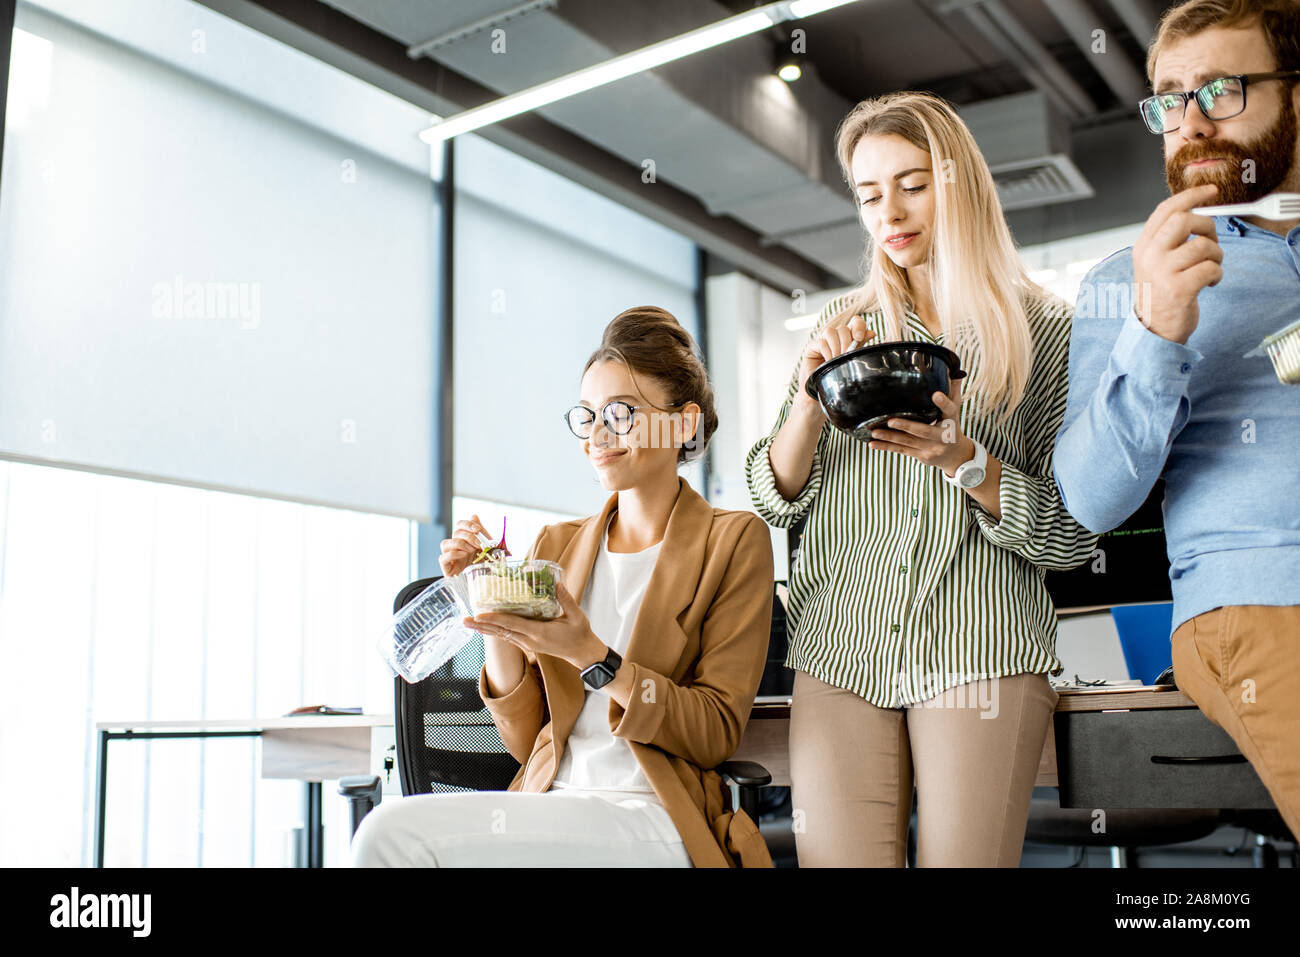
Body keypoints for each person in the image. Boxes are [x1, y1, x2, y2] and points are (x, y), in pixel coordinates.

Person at [744, 91, 1099, 867]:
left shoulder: (1046, 332)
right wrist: (809, 400)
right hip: (840, 651)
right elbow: (771, 491)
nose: (890, 212)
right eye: (870, 195)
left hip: (982, 648)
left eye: (912, 183)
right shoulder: (846, 326)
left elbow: (1072, 533)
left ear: (959, 182)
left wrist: (962, 461)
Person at [352, 306, 774, 867]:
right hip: (552, 801)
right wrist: (492, 612)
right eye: (586, 415)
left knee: (391, 836)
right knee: (390, 829)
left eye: (621, 414)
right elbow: (527, 742)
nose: (596, 435)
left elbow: (713, 733)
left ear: (683, 423)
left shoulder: (733, 542)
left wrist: (591, 655)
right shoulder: (557, 545)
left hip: (652, 811)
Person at [1054, 0, 1300, 837]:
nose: (1188, 121)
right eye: (1169, 97)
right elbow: (1090, 500)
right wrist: (1155, 328)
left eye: (1221, 89)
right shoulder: (1127, 280)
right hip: (1269, 599)